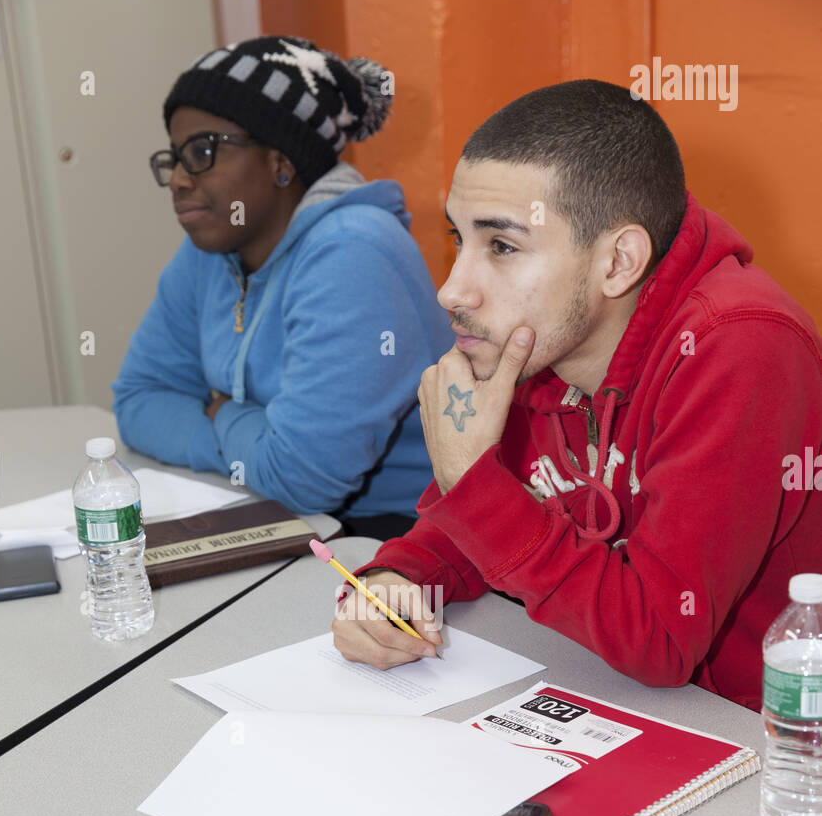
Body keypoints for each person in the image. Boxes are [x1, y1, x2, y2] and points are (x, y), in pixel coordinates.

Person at [332, 79, 822, 710]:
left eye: (502, 246)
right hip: (611, 695)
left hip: (759, 737)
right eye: (460, 238)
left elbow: (661, 638)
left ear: (618, 262)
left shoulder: (741, 346)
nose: (453, 291)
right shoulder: (541, 339)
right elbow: (472, 524)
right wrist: (397, 579)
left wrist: (471, 482)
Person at [112, 36, 452, 538]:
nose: (180, 179)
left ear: (282, 163)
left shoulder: (353, 252)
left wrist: (222, 411)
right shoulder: (209, 254)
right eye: (176, 158)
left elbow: (303, 479)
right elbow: (140, 399)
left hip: (400, 538)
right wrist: (250, 442)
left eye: (203, 151)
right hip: (270, 508)